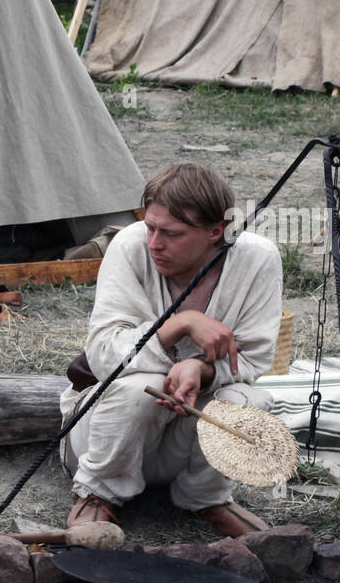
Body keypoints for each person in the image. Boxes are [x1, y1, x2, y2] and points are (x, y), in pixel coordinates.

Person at [59, 162, 283, 538]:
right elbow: (101, 355)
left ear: (217, 231)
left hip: (179, 447)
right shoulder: (130, 247)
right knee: (139, 388)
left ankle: (206, 496)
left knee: (249, 402)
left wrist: (201, 369)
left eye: (172, 234)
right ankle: (98, 492)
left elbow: (253, 358)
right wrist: (178, 324)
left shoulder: (258, 259)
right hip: (102, 436)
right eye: (150, 227)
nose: (154, 244)